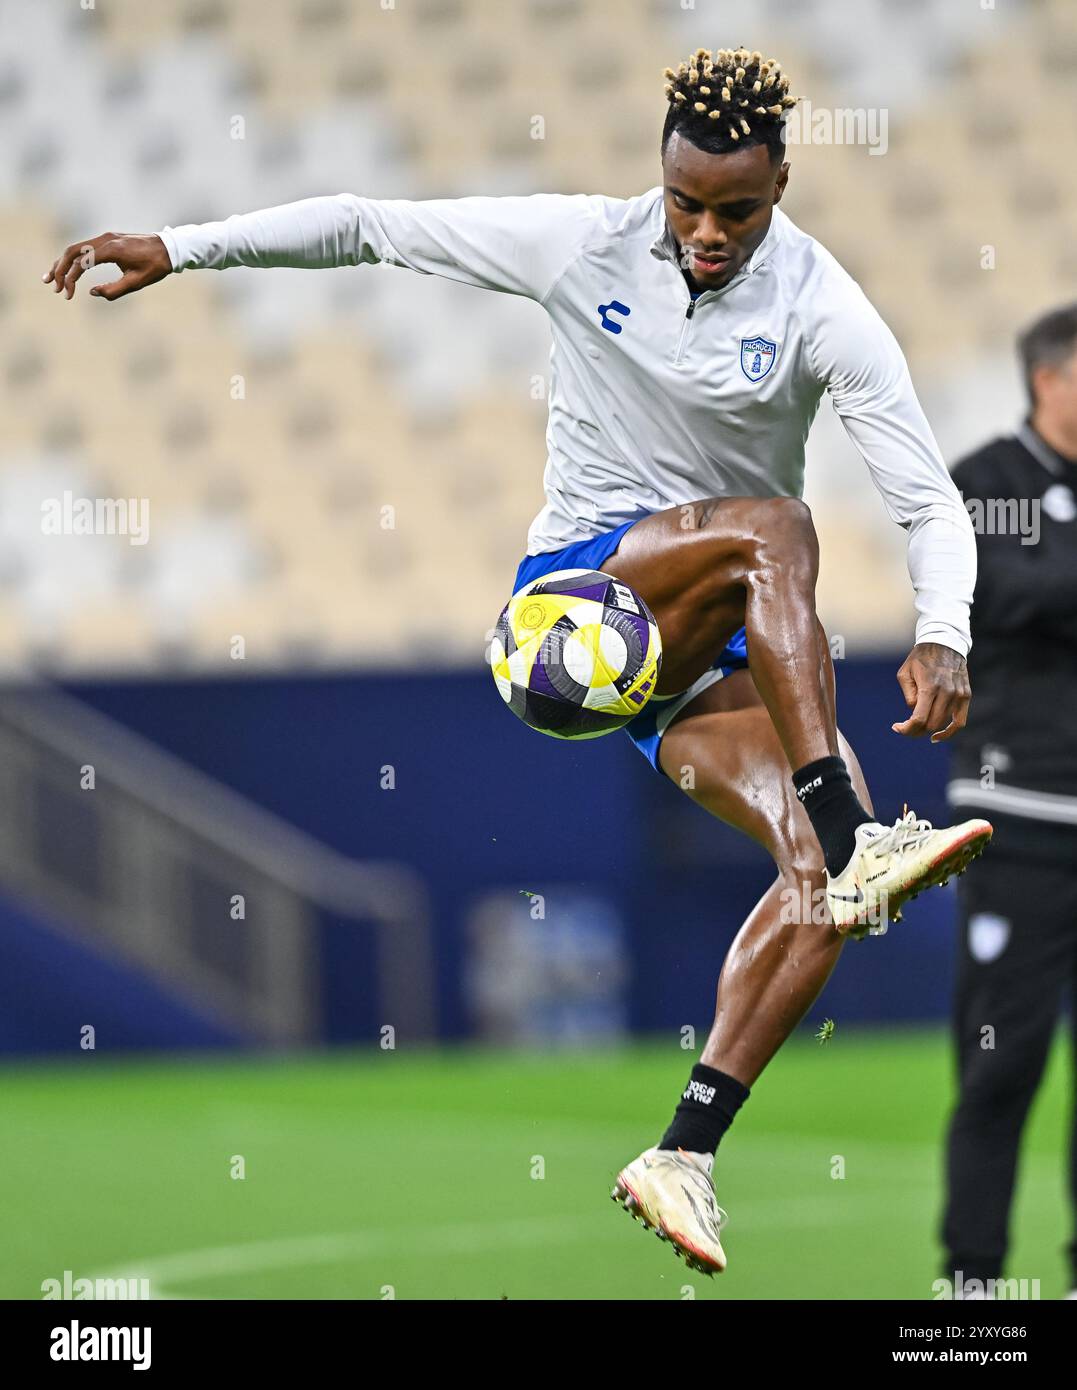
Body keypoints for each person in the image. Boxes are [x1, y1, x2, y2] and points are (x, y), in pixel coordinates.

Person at [43, 45, 991, 1276]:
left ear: (782, 187)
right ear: (659, 176)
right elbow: (370, 224)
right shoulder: (580, 244)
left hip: (693, 663)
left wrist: (945, 627)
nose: (706, 233)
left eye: (737, 211)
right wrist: (180, 246)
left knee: (818, 879)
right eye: (686, 203)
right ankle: (857, 835)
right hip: (566, 616)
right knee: (780, 535)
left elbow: (927, 501)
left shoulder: (822, 306)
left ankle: (684, 1149)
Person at [942, 303, 1077, 1299]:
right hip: (1020, 813)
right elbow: (1005, 590)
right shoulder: (987, 483)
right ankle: (973, 1289)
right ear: (1049, 379)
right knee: (1000, 1061)